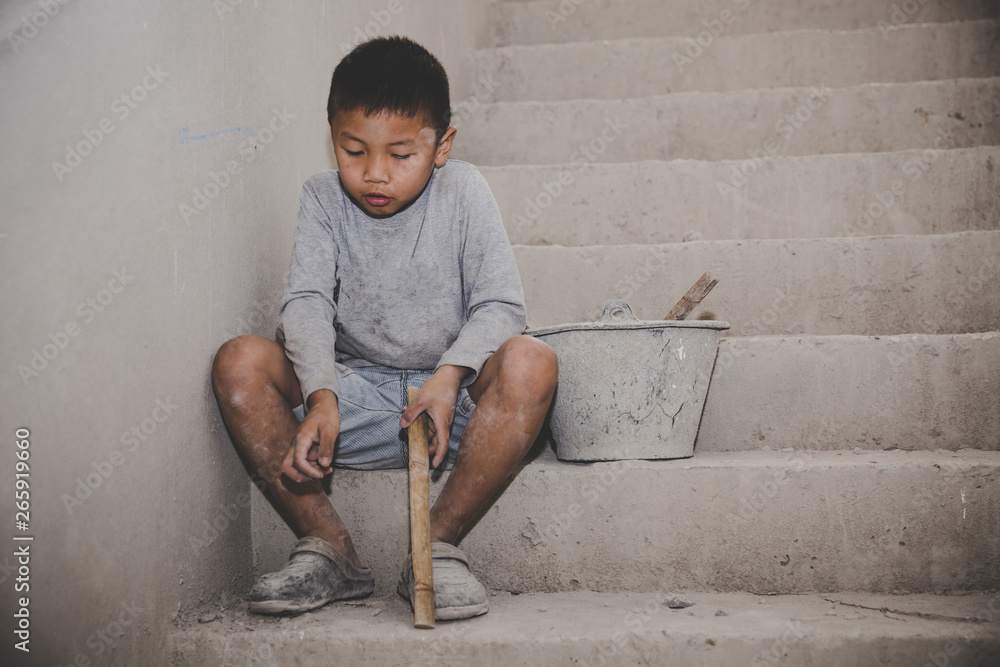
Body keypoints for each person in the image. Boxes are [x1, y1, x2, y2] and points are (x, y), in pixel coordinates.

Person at [211, 35, 558, 621]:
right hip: (354, 406)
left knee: (533, 360)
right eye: (353, 151)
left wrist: (449, 376)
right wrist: (322, 398)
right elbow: (306, 305)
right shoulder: (323, 199)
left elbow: (501, 305)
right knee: (238, 361)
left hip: (453, 407)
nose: (374, 174)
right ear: (332, 137)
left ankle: (435, 549)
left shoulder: (464, 191)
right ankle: (331, 551)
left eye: (400, 155)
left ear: (441, 146)